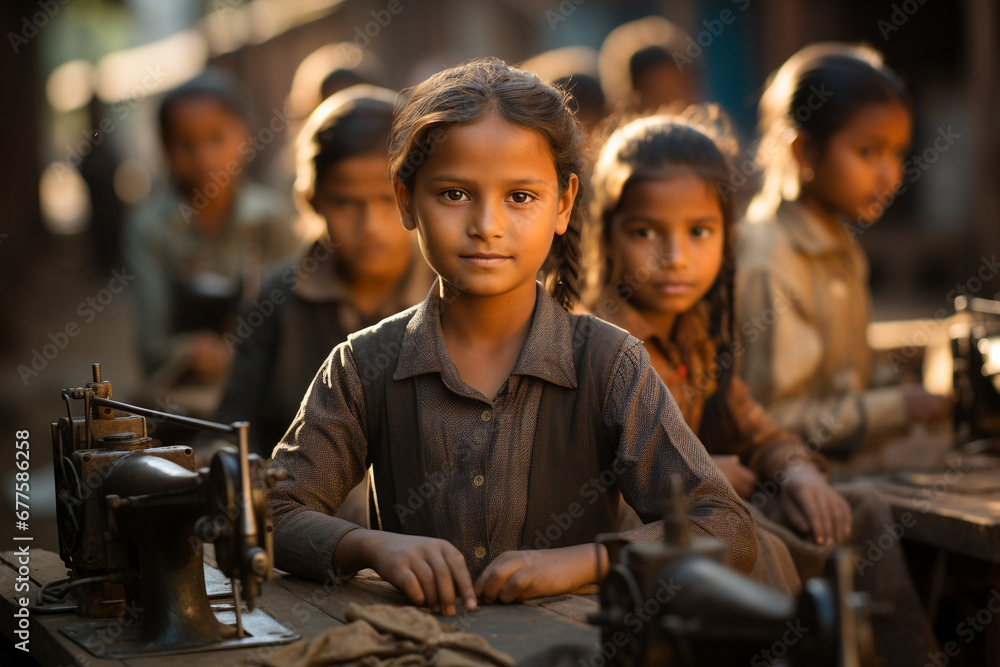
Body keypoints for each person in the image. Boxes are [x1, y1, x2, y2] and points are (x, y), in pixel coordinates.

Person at [268, 58, 757, 617]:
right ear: (406, 199)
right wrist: (371, 546)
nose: (487, 225)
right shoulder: (363, 364)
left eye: (520, 197)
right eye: (454, 194)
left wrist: (589, 561)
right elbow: (277, 513)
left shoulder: (610, 363)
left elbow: (725, 527)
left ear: (564, 204)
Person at [586, 110, 938, 662]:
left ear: (727, 237)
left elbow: (755, 424)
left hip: (716, 506)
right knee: (763, 544)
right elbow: (597, 479)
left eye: (699, 232)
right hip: (646, 538)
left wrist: (796, 470)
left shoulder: (700, 331)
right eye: (645, 232)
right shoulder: (602, 342)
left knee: (861, 507)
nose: (675, 256)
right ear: (607, 235)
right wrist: (699, 475)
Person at [735, 44, 952, 471]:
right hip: (798, 480)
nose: (890, 174)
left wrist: (914, 393)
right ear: (805, 152)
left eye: (898, 154)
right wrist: (900, 406)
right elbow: (776, 419)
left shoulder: (841, 245)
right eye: (868, 152)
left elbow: (860, 376)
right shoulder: (767, 257)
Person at [214, 85, 433, 460]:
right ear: (311, 200)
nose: (370, 224)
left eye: (387, 200)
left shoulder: (453, 291)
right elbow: (235, 432)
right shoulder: (277, 299)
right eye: (346, 202)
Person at [124, 70, 299, 415]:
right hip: (182, 403)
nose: (203, 157)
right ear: (164, 147)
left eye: (216, 138)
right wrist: (194, 353)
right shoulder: (150, 229)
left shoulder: (273, 219)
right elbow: (151, 348)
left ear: (245, 137)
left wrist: (236, 355)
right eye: (186, 144)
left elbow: (294, 325)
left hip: (268, 395)